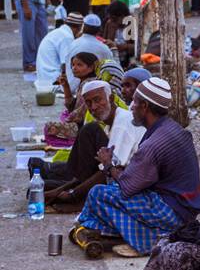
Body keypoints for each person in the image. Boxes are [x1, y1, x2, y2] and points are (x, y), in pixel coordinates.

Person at [71, 76, 200, 258]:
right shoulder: (173, 128)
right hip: (185, 208)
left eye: (134, 102)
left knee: (98, 193)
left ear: (145, 107)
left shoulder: (153, 143)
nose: (131, 107)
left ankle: (143, 239)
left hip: (172, 212)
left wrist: (109, 164)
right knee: (111, 190)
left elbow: (128, 187)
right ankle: (97, 227)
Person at [40, 78, 143, 208]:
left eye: (97, 100)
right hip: (114, 177)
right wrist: (61, 190)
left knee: (90, 130)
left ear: (110, 99)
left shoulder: (122, 123)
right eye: (88, 103)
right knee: (44, 188)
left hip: (128, 184)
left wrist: (73, 194)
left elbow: (108, 170)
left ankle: (79, 199)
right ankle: (73, 192)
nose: (93, 107)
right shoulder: (109, 126)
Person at [35, 10, 83, 85]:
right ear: (79, 28)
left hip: (44, 77)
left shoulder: (59, 32)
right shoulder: (67, 37)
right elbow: (66, 65)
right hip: (53, 80)